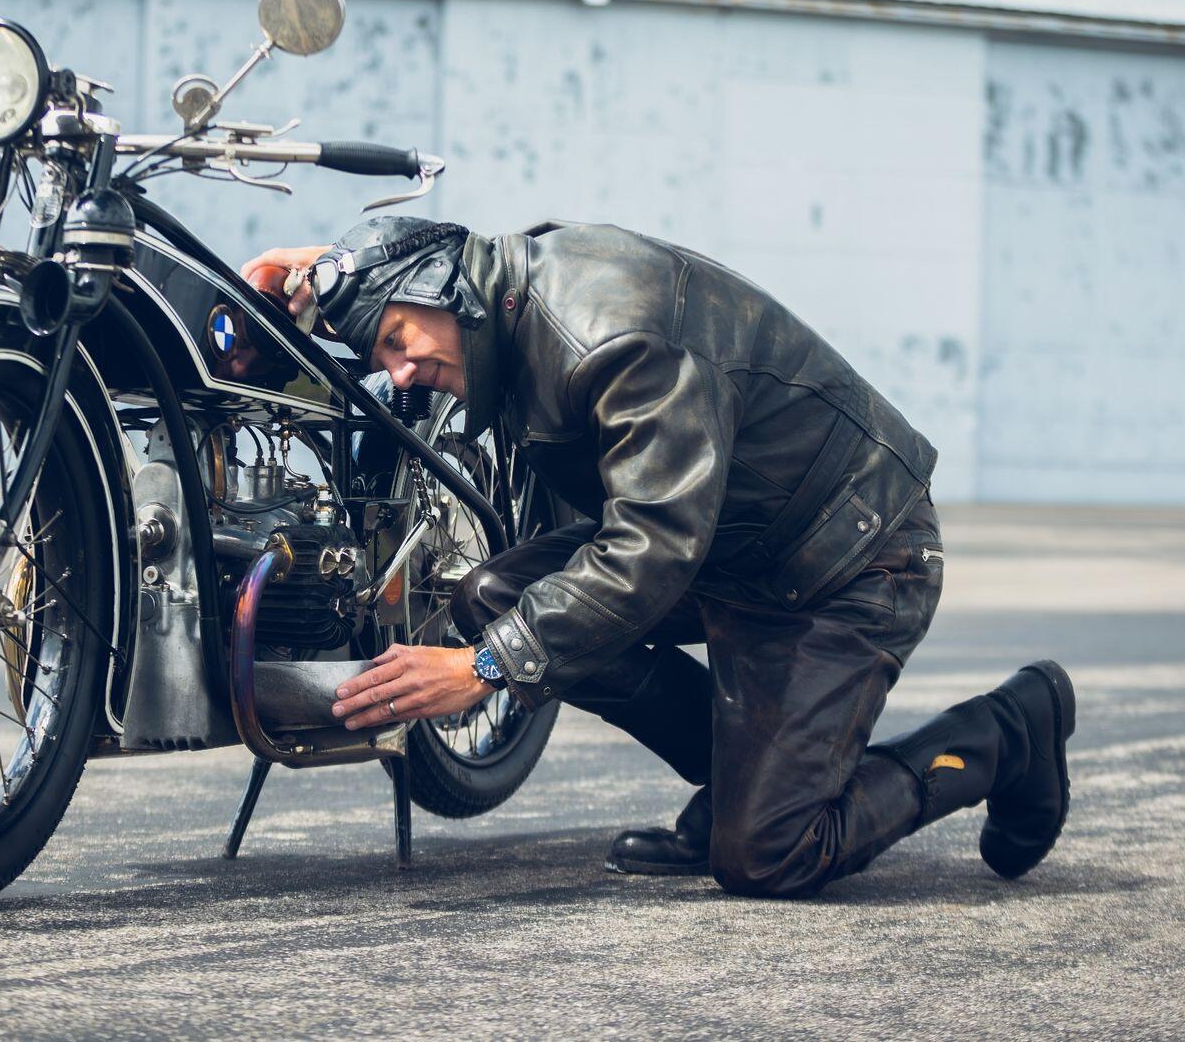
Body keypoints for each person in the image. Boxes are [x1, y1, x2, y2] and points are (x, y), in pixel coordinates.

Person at [242, 217, 1074, 897]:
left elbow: (652, 550)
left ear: (440, 289)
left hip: (845, 558)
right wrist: (329, 272)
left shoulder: (615, 340)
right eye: (384, 354)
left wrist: (486, 669)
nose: (402, 371)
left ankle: (1012, 726)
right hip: (732, 543)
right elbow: (434, 257)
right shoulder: (502, 284)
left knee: (770, 854)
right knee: (501, 597)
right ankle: (746, 777)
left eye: (397, 338)